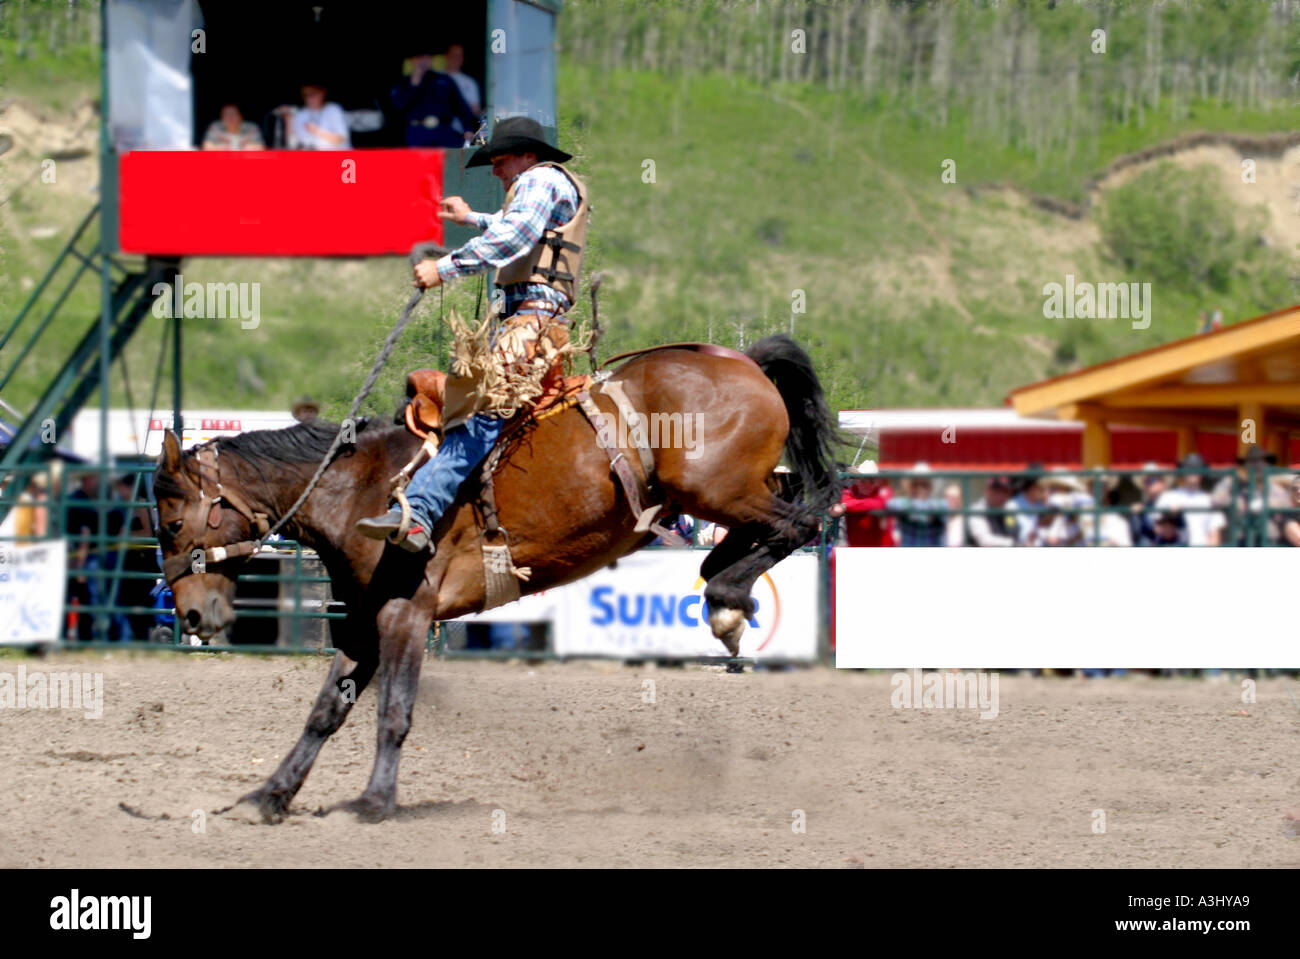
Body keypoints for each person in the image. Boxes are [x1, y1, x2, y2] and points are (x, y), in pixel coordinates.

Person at [357, 117, 588, 553]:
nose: (496, 172)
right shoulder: (542, 184)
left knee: (483, 410)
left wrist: (442, 269)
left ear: (528, 156)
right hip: (529, 315)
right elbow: (514, 224)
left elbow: (515, 237)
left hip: (531, 317)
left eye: (500, 162)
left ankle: (421, 513)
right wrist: (471, 218)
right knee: (474, 403)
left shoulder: (540, 179)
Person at [390, 47, 478, 147]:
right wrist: (414, 84)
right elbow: (398, 106)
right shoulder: (404, 83)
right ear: (413, 60)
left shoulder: (444, 80)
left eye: (426, 57)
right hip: (417, 133)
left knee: (452, 158)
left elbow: (461, 107)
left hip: (443, 130)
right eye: (419, 58)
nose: (423, 61)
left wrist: (468, 129)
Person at [1156, 452, 1224, 547]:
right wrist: (1170, 518)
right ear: (1182, 470)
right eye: (1189, 467)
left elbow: (1214, 535)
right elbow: (1155, 528)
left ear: (1202, 472)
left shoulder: (1210, 500)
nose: (1193, 471)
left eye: (1197, 467)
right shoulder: (1168, 496)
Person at [829, 460, 894, 547]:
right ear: (856, 480)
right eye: (863, 481)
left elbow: (877, 504)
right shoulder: (851, 491)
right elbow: (845, 499)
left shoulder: (884, 492)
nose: (867, 485)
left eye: (872, 481)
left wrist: (844, 507)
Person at [886, 463, 946, 546]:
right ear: (910, 487)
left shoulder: (939, 504)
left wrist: (914, 509)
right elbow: (891, 504)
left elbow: (943, 507)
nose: (919, 488)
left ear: (930, 488)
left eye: (924, 485)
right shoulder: (902, 503)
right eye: (915, 484)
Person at [281, 82, 350, 150]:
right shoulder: (301, 114)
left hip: (337, 155)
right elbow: (291, 145)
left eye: (312, 94)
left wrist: (317, 131)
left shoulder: (333, 109)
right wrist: (288, 121)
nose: (309, 98)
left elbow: (341, 139)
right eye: (305, 95)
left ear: (322, 93)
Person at [967, 476, 1018, 546]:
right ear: (988, 491)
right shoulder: (977, 510)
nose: (1003, 496)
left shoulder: (1009, 509)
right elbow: (984, 540)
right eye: (999, 491)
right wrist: (1014, 544)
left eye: (1006, 492)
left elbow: (1015, 532)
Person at [443, 42, 482, 126]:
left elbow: (476, 111)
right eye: (453, 55)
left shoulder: (469, 82)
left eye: (459, 56)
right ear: (447, 56)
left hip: (461, 130)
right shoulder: (436, 78)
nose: (456, 59)